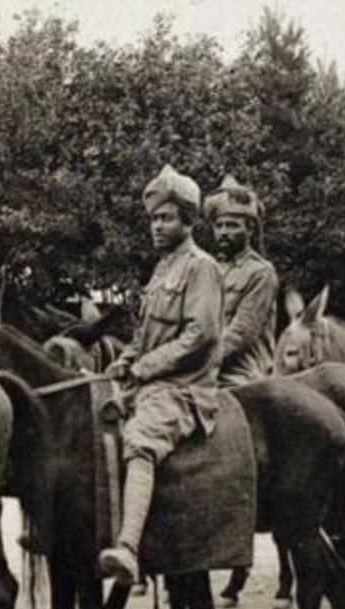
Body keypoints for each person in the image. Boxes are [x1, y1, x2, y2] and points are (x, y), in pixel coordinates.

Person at [98, 165, 224, 584]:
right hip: (149, 382)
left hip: (184, 388)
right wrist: (125, 359)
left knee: (140, 441)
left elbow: (201, 335)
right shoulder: (162, 269)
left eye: (167, 218)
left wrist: (145, 367)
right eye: (154, 218)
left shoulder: (201, 267)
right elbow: (145, 334)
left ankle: (129, 549)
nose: (157, 226)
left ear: (189, 222)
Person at [203, 174, 279, 386]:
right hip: (204, 372)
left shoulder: (261, 272)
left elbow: (241, 334)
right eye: (219, 226)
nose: (223, 232)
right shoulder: (209, 269)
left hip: (241, 376)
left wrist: (195, 361)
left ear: (250, 229)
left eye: (232, 226)